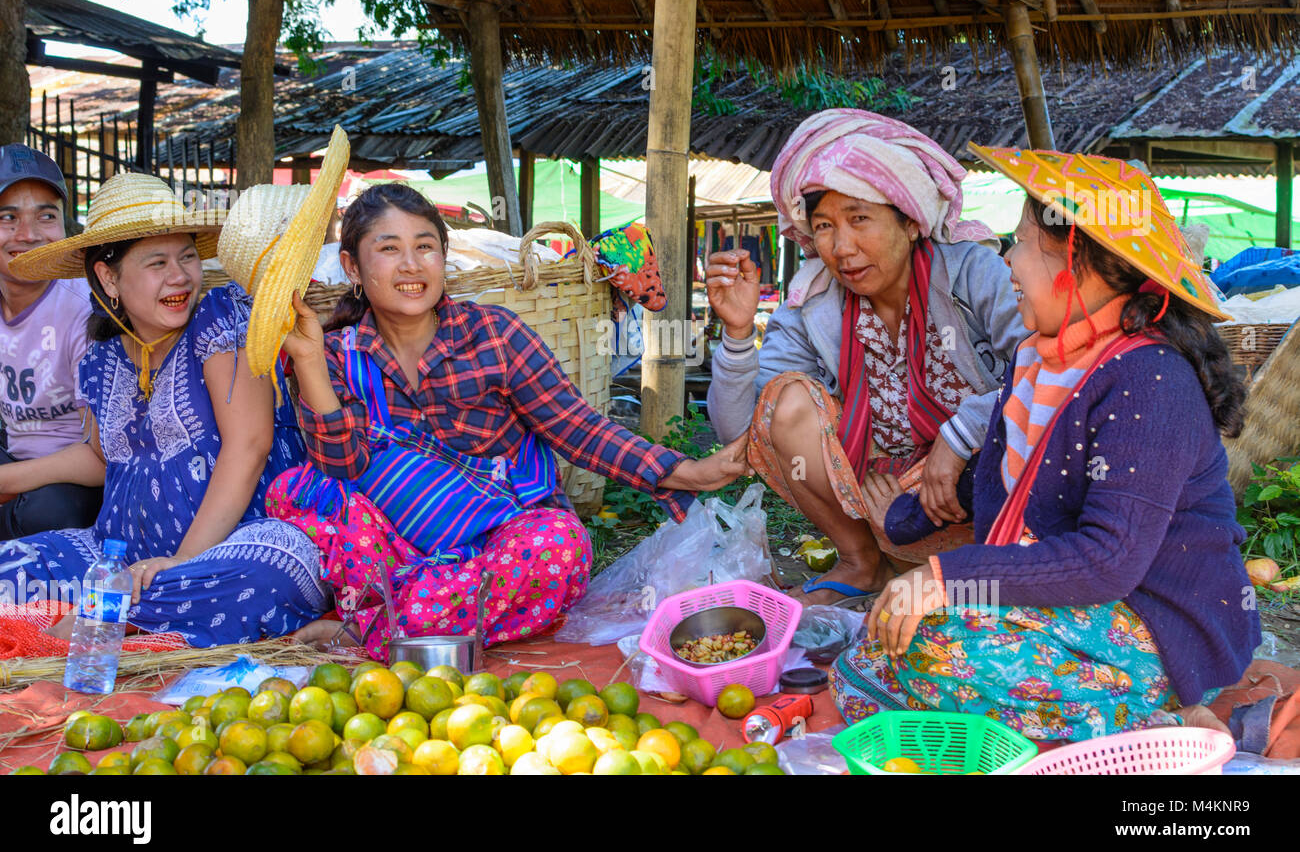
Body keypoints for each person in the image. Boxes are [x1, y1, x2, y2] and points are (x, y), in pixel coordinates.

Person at [831, 146, 1260, 741]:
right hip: (1074, 602)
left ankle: (1169, 718)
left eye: (1023, 242)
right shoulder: (1040, 360)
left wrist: (944, 577)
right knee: (872, 653)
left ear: (1074, 260)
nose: (1008, 258)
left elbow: (1107, 560)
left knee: (924, 654)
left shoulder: (1150, 379)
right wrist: (907, 519)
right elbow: (1015, 489)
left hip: (1158, 620)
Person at [269, 184, 748, 659]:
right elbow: (342, 466)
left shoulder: (493, 335)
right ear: (353, 265)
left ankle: (369, 627)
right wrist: (309, 362)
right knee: (292, 495)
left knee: (559, 546)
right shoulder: (338, 354)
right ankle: (427, 611)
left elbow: (577, 429)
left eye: (425, 247)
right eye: (389, 249)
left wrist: (690, 472)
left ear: (444, 257)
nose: (411, 265)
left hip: (503, 542)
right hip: (395, 545)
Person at [706, 110, 1026, 605]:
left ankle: (954, 569)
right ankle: (862, 561)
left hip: (970, 487)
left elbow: (1045, 367)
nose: (841, 247)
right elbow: (745, 430)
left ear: (911, 221)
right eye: (824, 226)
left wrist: (959, 438)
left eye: (860, 219)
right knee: (785, 400)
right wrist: (738, 333)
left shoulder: (973, 273)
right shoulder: (813, 302)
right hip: (875, 498)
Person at [0, 173, 327, 645]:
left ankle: (97, 622)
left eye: (188, 256)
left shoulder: (220, 319)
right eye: (158, 262)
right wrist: (7, 479)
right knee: (12, 570)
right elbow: (99, 458)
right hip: (122, 558)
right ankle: (119, 619)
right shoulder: (102, 358)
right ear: (108, 277)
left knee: (273, 570)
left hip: (233, 547)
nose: (180, 277)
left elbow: (250, 445)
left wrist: (182, 562)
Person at [0, 145, 101, 537]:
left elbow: (102, 460)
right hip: (12, 459)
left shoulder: (84, 311)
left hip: (71, 481)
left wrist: (7, 481)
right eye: (8, 218)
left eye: (46, 216)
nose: (28, 235)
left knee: (52, 516)